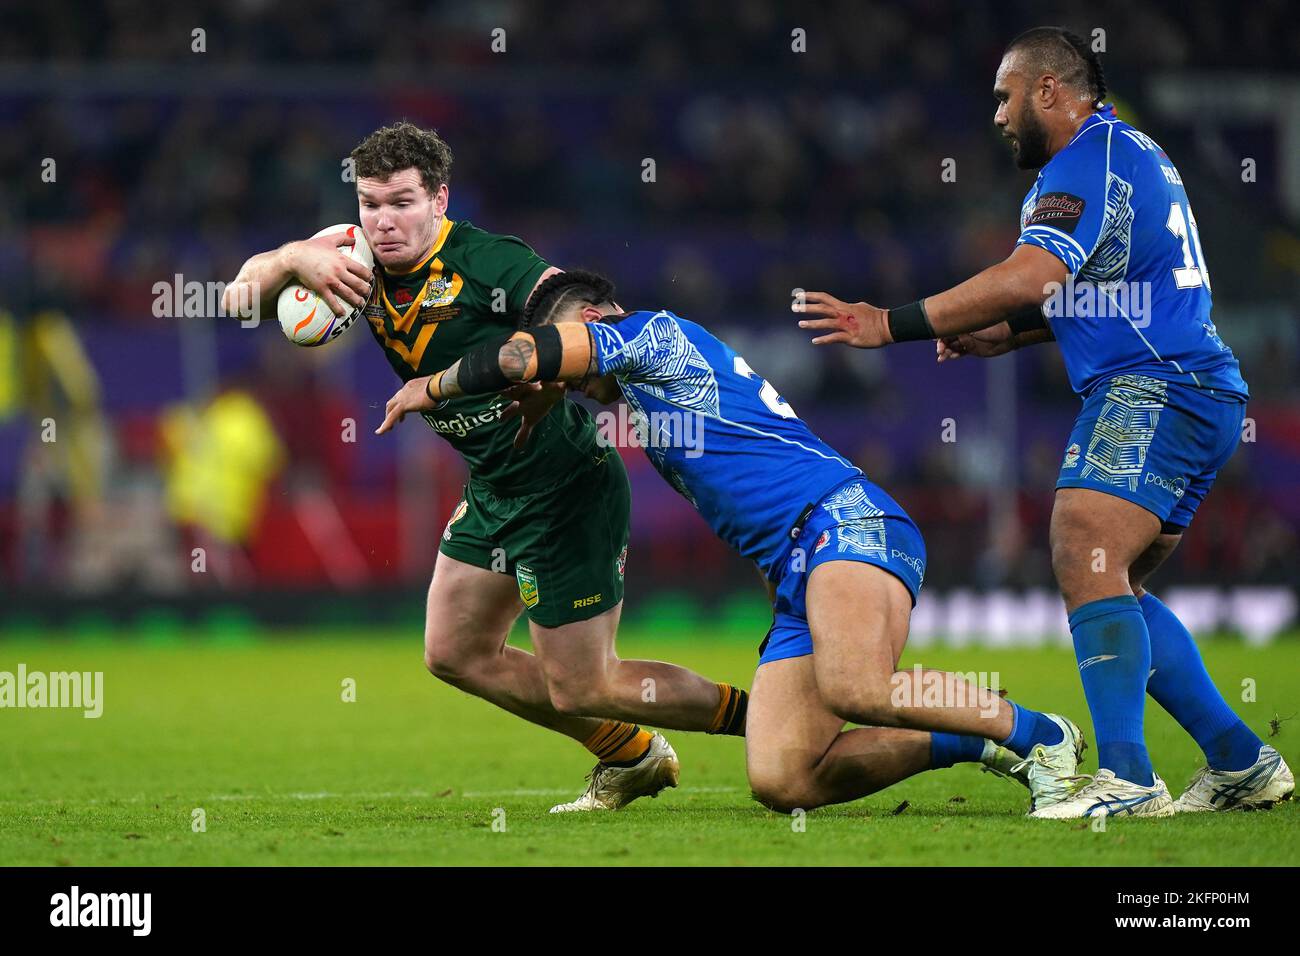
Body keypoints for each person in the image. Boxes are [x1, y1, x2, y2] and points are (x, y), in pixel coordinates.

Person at [792, 27, 1293, 818]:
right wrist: (1016, 333)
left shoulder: (1082, 161)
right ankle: (1239, 762)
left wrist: (891, 323)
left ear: (1051, 91)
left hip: (1151, 384)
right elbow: (1105, 286)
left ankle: (1127, 779)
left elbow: (1030, 273)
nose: (996, 114)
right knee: (1113, 580)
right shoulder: (1130, 151)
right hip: (1199, 386)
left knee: (1081, 547)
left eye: (1005, 95)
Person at [376, 268, 1088, 814]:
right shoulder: (647, 395)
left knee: (857, 686)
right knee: (784, 778)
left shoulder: (651, 333)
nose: (569, 386)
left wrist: (433, 386)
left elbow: (525, 357)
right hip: (798, 568)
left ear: (591, 320)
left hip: (846, 521)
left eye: (567, 362)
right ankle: (975, 741)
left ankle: (1037, 734)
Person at [224, 123, 750, 814]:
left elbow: (591, 316)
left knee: (586, 684)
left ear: (440, 199)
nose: (384, 221)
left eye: (403, 202)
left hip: (565, 487)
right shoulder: (347, 257)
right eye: (371, 203)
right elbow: (237, 300)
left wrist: (552, 372)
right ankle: (631, 755)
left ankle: (770, 715)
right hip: (496, 487)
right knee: (453, 651)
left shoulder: (487, 263)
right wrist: (295, 257)